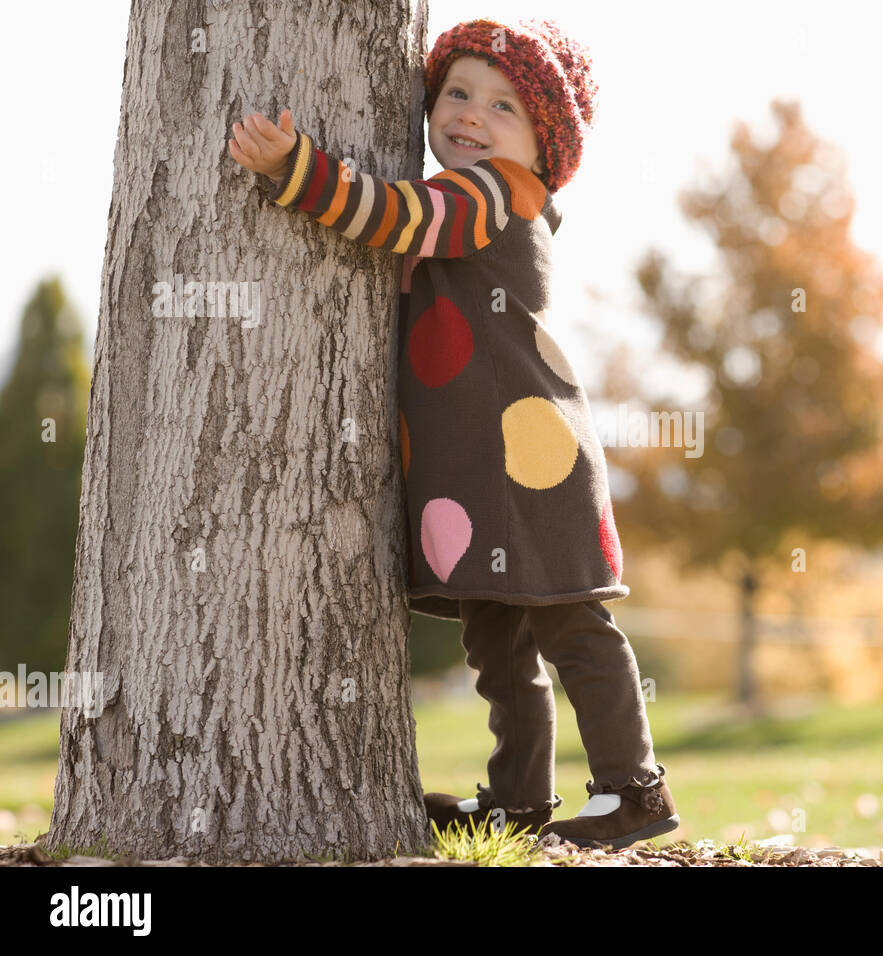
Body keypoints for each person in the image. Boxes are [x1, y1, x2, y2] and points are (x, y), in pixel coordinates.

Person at [226, 16, 678, 850]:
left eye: (503, 106)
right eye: (458, 93)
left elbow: (389, 216)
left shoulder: (492, 193)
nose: (470, 114)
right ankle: (518, 799)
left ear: (541, 146)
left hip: (530, 458)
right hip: (482, 465)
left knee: (571, 626)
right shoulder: (475, 191)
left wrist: (295, 169)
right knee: (498, 642)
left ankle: (635, 788)